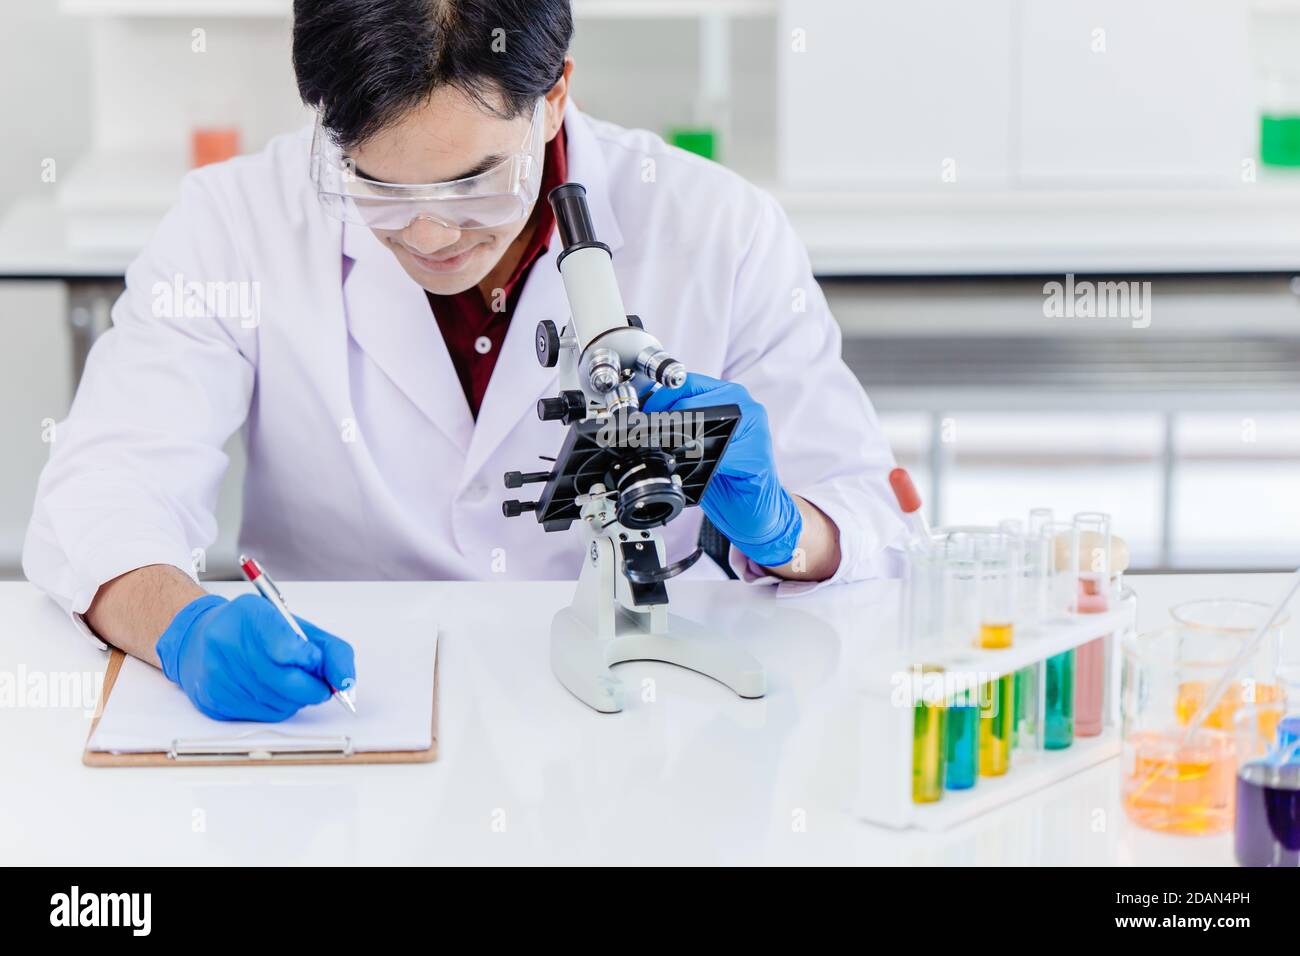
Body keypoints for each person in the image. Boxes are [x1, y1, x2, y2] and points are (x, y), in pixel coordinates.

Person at [24, 0, 905, 721]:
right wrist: (184, 627)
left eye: (476, 182)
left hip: (642, 718)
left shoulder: (717, 228)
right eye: (379, 186)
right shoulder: (232, 224)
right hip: (340, 715)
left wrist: (786, 528)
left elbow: (870, 516)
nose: (434, 235)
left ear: (555, 94)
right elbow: (102, 497)